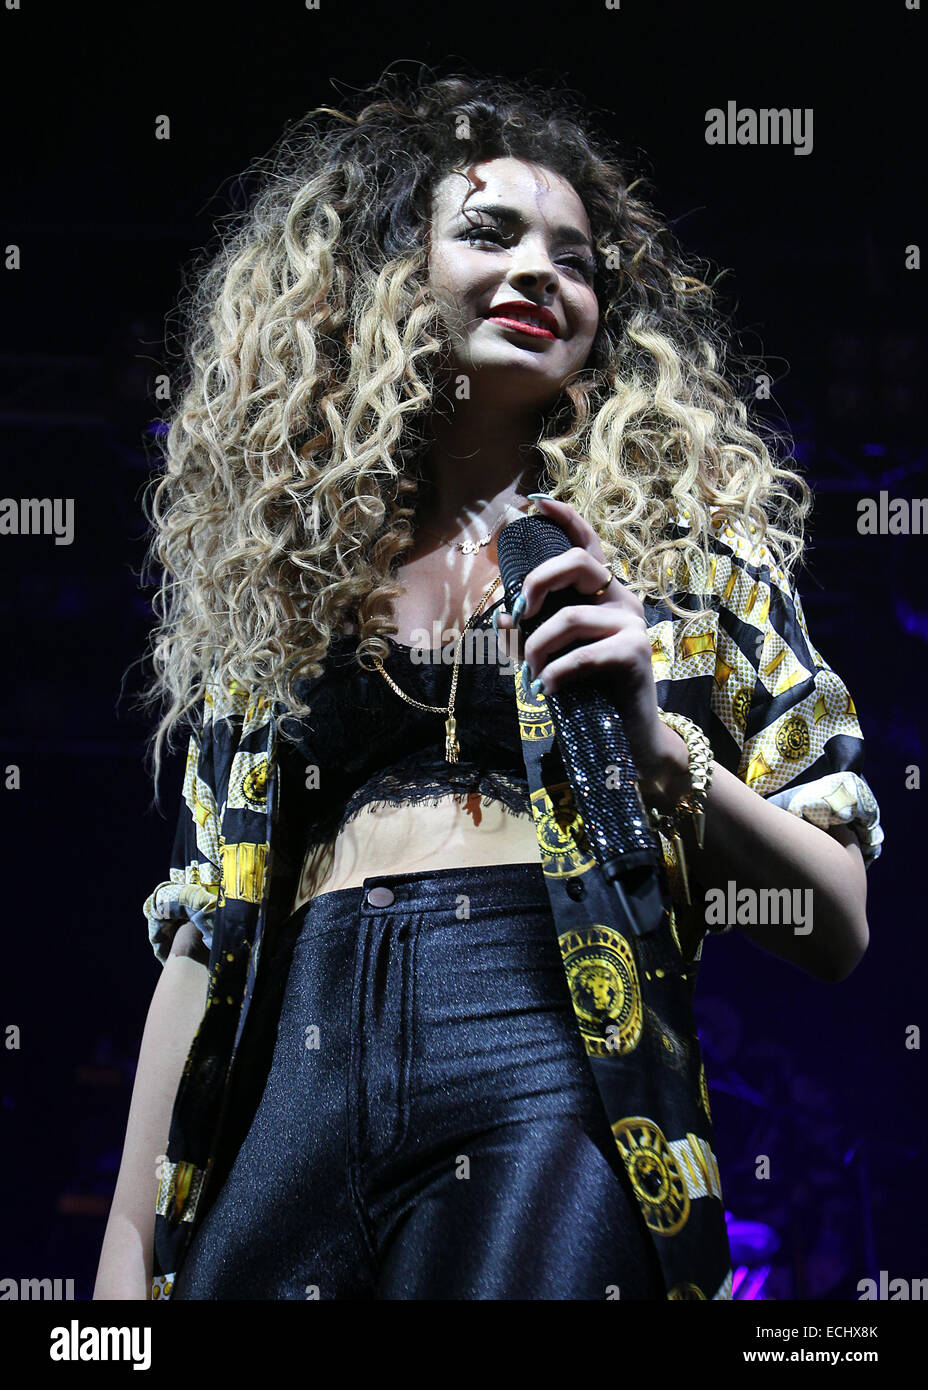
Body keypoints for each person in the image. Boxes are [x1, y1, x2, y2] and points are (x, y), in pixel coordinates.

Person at [94, 71, 882, 1302]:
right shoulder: (292, 573)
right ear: (386, 279)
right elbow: (210, 931)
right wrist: (122, 1259)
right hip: (291, 1068)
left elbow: (836, 922)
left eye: (574, 256)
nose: (539, 273)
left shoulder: (684, 553)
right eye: (489, 234)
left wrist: (657, 749)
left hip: (536, 1044)